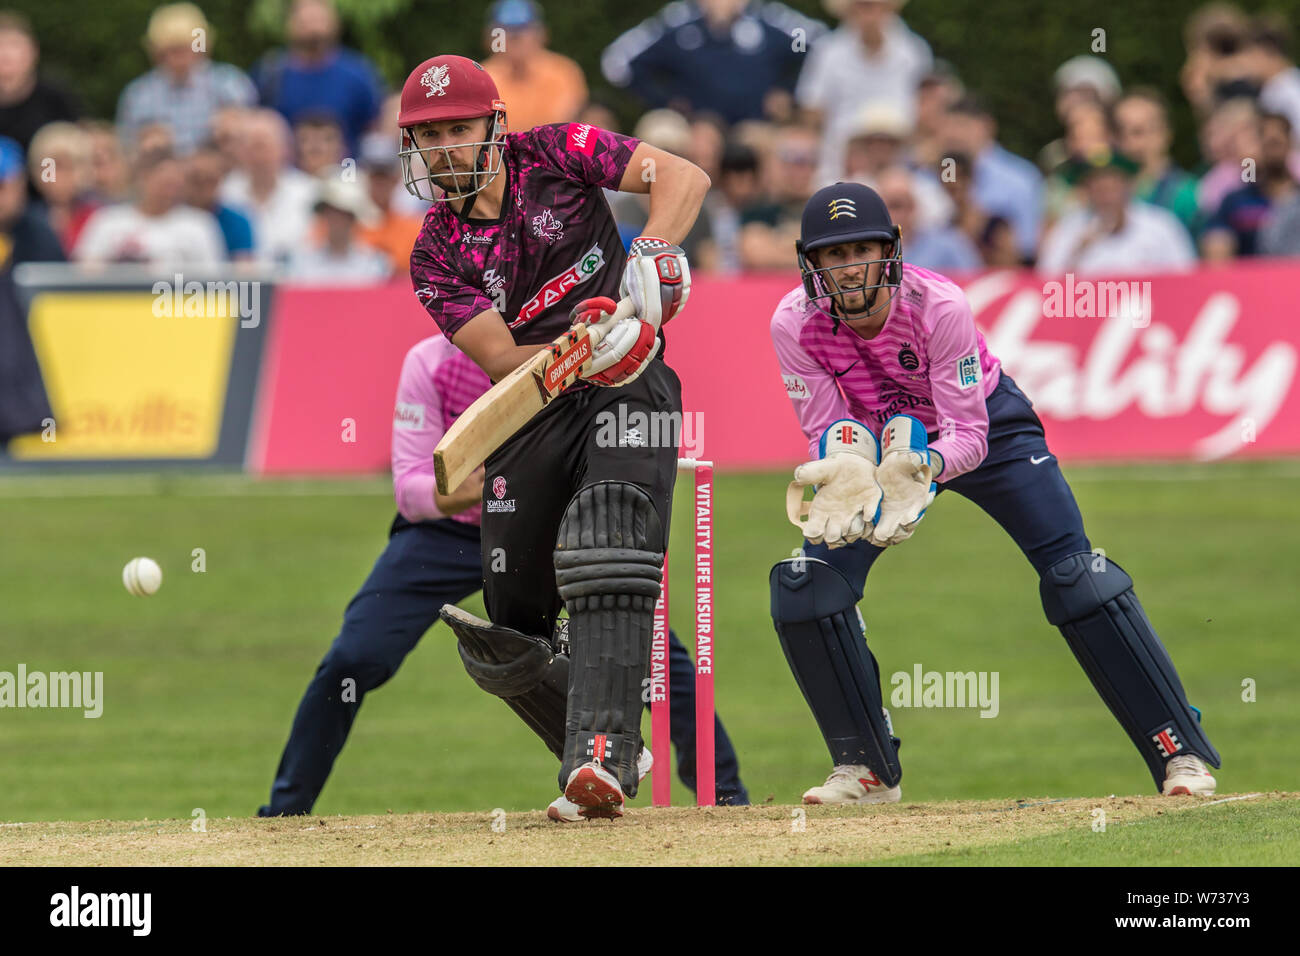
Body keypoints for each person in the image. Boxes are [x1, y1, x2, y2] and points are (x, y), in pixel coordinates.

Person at [766, 180, 1221, 804]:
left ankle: (1182, 753)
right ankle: (866, 770)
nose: (850, 269)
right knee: (805, 583)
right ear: (811, 263)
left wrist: (919, 469)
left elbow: (969, 434)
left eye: (862, 249)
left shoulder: (937, 304)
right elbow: (827, 427)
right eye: (834, 256)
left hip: (981, 430)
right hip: (878, 447)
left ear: (890, 250)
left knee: (1078, 577)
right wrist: (848, 467)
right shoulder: (793, 321)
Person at [258, 334, 748, 819]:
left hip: (545, 527)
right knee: (351, 660)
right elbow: (409, 490)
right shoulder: (431, 363)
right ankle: (283, 814)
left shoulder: (570, 355)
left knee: (655, 655)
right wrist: (495, 482)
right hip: (446, 537)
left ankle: (726, 797)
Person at [402, 54, 712, 819]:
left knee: (608, 535)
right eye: (427, 134)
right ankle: (599, 735)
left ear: (493, 127)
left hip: (627, 379)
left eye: (457, 128)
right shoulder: (434, 252)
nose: (442, 147)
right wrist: (580, 340)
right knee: (508, 630)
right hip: (534, 399)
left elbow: (684, 179)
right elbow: (503, 355)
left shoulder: (556, 150)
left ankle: (602, 758)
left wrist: (652, 254)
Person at [602, 0, 828, 125]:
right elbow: (619, 61)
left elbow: (819, 46)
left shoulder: (770, 18)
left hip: (758, 130)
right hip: (698, 133)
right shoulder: (678, 21)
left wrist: (788, 91)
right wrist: (665, 101)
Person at [795, 0, 932, 186]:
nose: (869, 13)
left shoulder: (914, 50)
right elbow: (812, 110)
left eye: (874, 5)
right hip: (839, 161)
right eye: (862, 5)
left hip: (901, 158)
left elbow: (926, 109)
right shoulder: (828, 51)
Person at [115, 3, 257, 156]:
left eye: (186, 48)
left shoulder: (229, 82)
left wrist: (232, 128)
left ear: (202, 46)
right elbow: (125, 150)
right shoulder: (138, 95)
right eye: (173, 50)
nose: (181, 58)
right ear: (157, 52)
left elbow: (256, 135)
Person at [252, 0, 383, 158]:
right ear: (290, 25)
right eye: (306, 21)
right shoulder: (270, 74)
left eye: (319, 20)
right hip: (288, 177)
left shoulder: (358, 74)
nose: (314, 29)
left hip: (346, 173)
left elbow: (375, 127)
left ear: (335, 24)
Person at [1037, 148, 1195, 276]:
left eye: (1112, 186)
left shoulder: (1161, 226)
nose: (1106, 195)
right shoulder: (1069, 229)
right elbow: (1046, 283)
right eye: (1098, 187)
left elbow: (1186, 275)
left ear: (1129, 185)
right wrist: (1078, 252)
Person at [73, 145, 225, 267]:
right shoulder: (108, 221)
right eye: (164, 183)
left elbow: (212, 282)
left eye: (174, 184)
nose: (169, 191)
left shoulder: (199, 225)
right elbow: (84, 271)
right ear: (143, 179)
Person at [218, 108, 317, 263]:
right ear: (240, 151)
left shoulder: (309, 192)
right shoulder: (225, 192)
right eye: (251, 147)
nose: (258, 156)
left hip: (295, 281)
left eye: (263, 146)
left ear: (284, 149)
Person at [0, 10, 78, 197]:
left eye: (14, 46)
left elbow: (69, 151)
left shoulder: (54, 97)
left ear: (33, 51)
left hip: (47, 196)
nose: (6, 55)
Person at [1201, 111, 1298, 259]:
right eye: (1266, 143)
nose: (1272, 152)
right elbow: (1216, 250)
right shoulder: (1235, 201)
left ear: (1290, 144)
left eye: (1276, 143)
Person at [481, 0, 587, 133]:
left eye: (523, 29)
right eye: (504, 30)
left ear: (542, 34)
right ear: (489, 38)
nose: (515, 37)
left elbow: (574, 126)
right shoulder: (482, 78)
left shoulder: (564, 73)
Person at [286, 175, 390, 283]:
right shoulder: (303, 261)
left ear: (352, 218)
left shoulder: (372, 264)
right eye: (329, 212)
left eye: (341, 214)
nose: (334, 220)